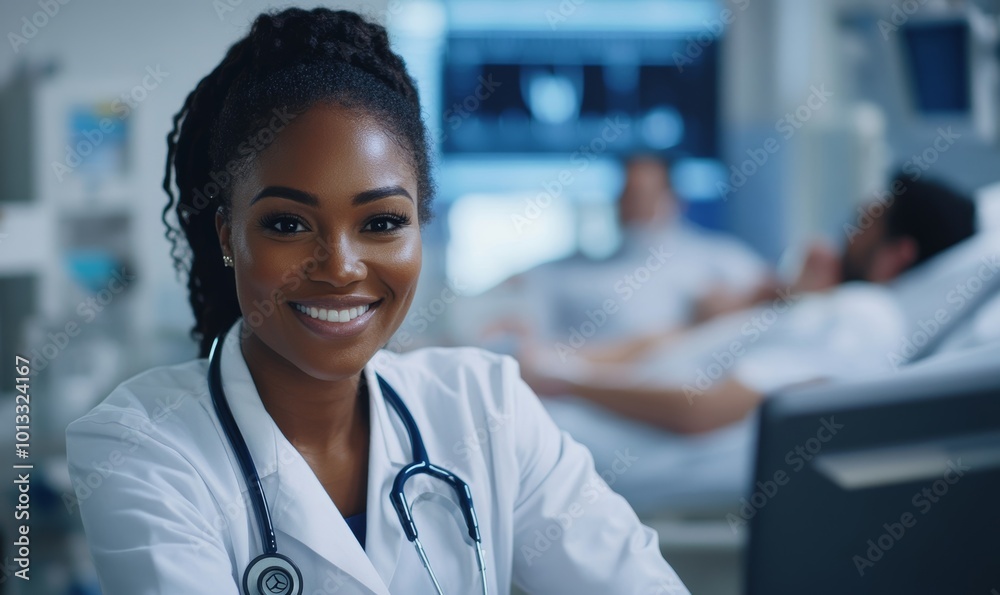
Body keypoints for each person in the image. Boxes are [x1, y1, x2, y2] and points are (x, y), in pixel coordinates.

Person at [64, 9, 688, 595]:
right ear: (228, 236)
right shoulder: (140, 446)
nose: (340, 267)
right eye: (288, 224)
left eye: (382, 222)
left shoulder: (486, 407)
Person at [520, 172, 978, 434]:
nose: (849, 228)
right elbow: (680, 348)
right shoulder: (817, 306)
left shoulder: (862, 319)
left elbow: (700, 411)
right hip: (596, 404)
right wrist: (778, 300)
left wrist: (569, 383)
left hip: (603, 428)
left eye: (866, 223)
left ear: (896, 256)